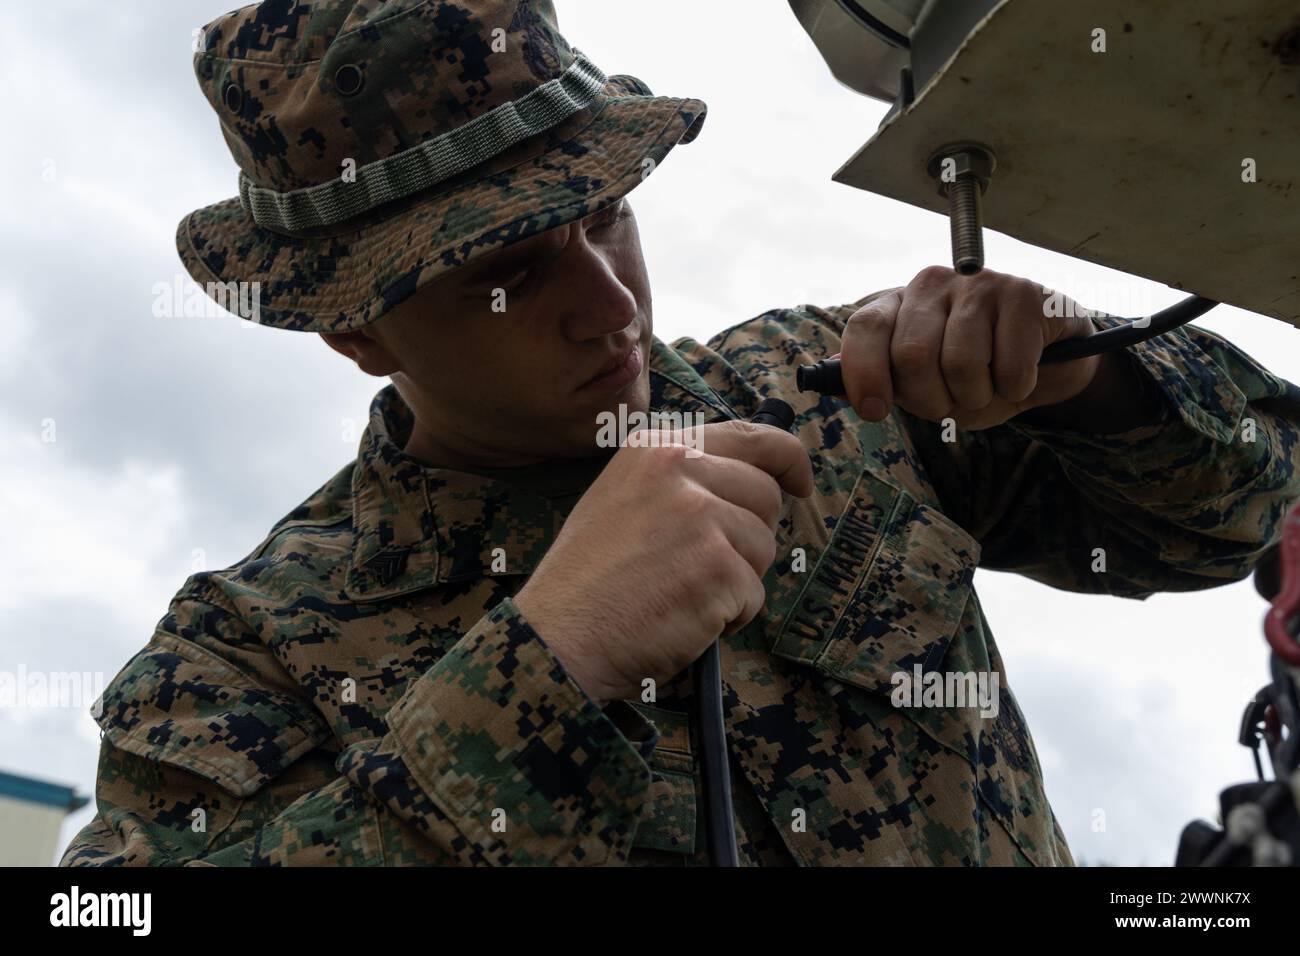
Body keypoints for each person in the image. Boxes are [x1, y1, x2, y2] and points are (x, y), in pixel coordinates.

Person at [62, 0, 1300, 866]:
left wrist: (1078, 376)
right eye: (510, 268)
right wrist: (546, 665)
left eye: (607, 219)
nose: (609, 305)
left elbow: (1238, 512)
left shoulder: (821, 392)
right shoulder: (244, 654)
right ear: (357, 332)